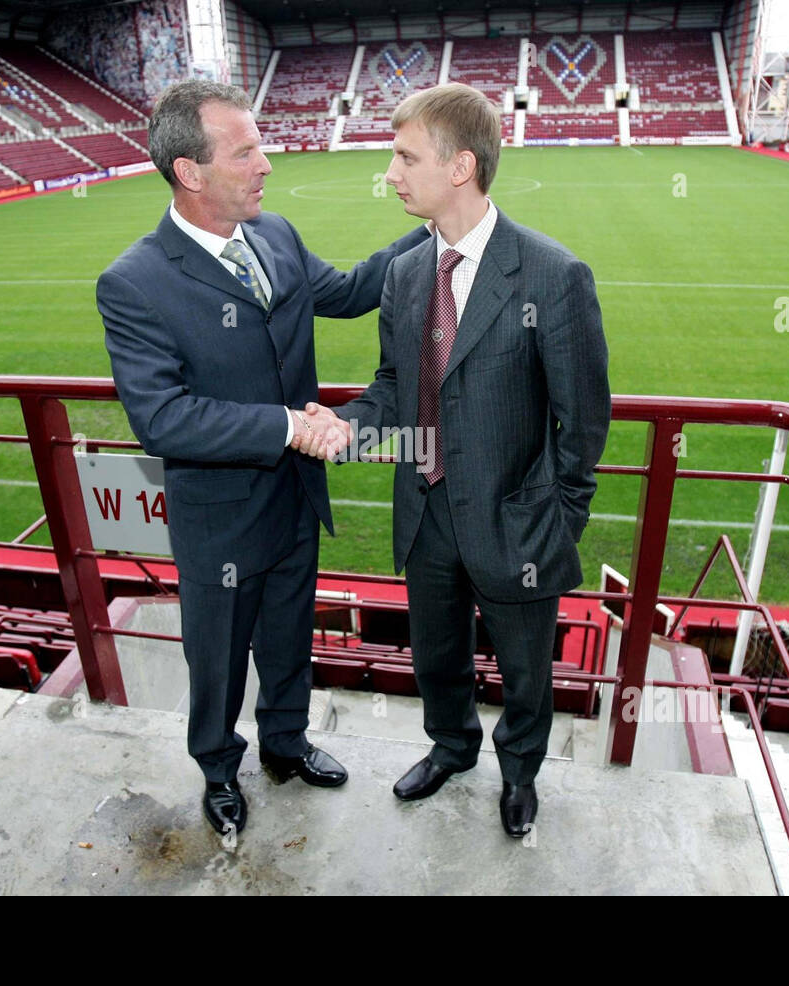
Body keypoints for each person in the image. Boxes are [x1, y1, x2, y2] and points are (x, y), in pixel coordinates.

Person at [96, 80, 428, 838]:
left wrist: (440, 224)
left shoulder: (274, 234)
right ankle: (218, 768)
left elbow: (351, 290)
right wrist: (285, 427)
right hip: (219, 518)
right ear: (190, 171)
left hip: (294, 499)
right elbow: (162, 418)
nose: (266, 164)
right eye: (245, 151)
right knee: (215, 659)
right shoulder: (134, 281)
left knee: (287, 638)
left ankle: (286, 742)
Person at [321, 83, 610, 837]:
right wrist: (345, 427)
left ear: (460, 167)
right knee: (436, 655)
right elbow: (395, 387)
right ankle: (452, 747)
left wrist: (559, 521)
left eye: (405, 157)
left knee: (525, 670)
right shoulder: (406, 272)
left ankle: (520, 775)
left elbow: (583, 421)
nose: (390, 173)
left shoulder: (552, 274)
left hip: (517, 522)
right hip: (426, 512)